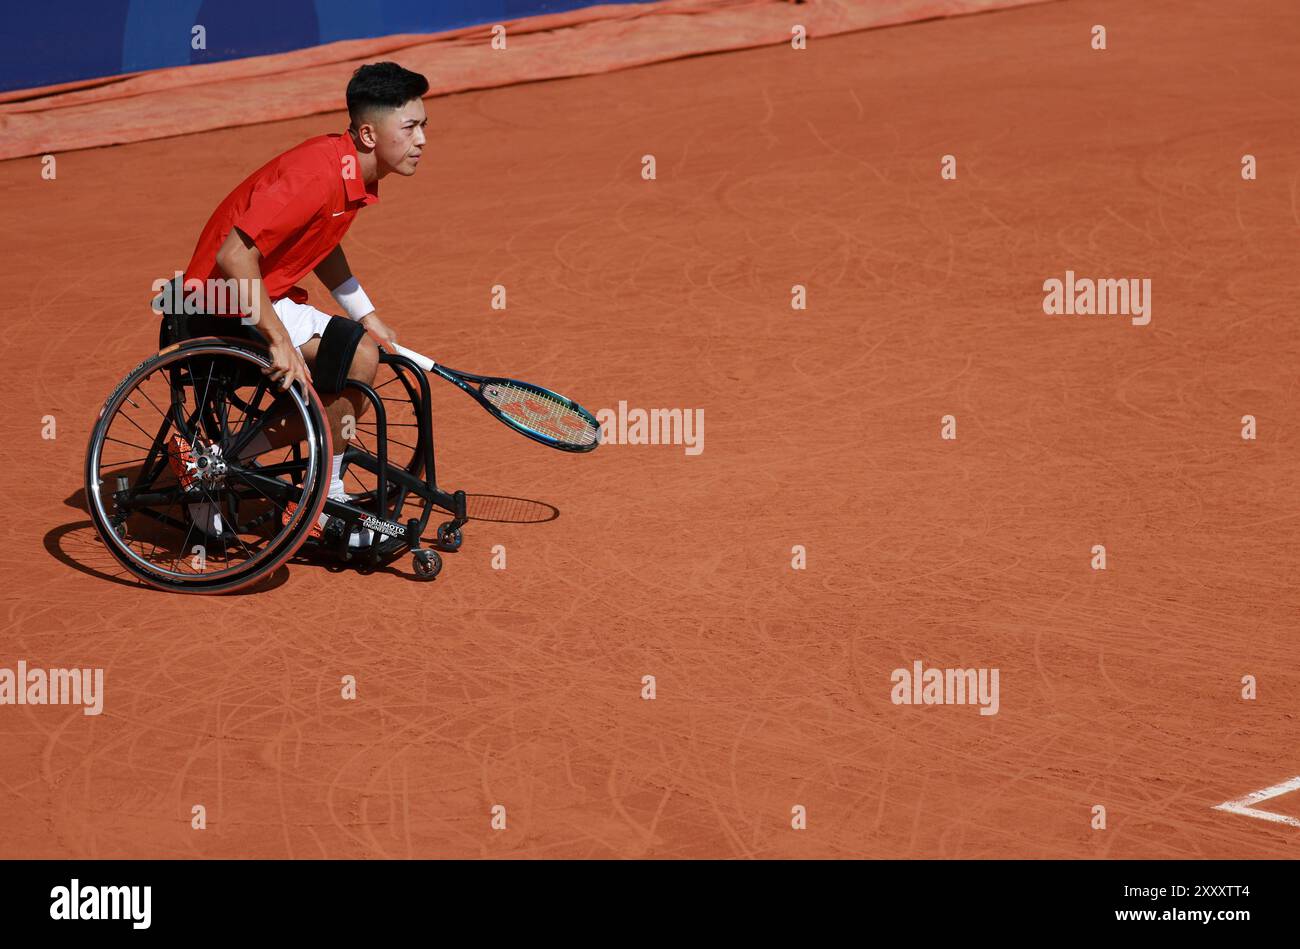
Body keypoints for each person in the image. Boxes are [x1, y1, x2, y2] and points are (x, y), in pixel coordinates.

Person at [163, 61, 429, 547]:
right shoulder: (316, 173)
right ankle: (315, 497)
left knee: (361, 350)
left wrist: (366, 315)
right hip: (218, 300)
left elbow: (321, 243)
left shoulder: (350, 170)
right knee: (354, 360)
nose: (422, 140)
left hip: (263, 293)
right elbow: (233, 254)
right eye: (410, 127)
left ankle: (247, 466)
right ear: (369, 134)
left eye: (423, 126)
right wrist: (278, 340)